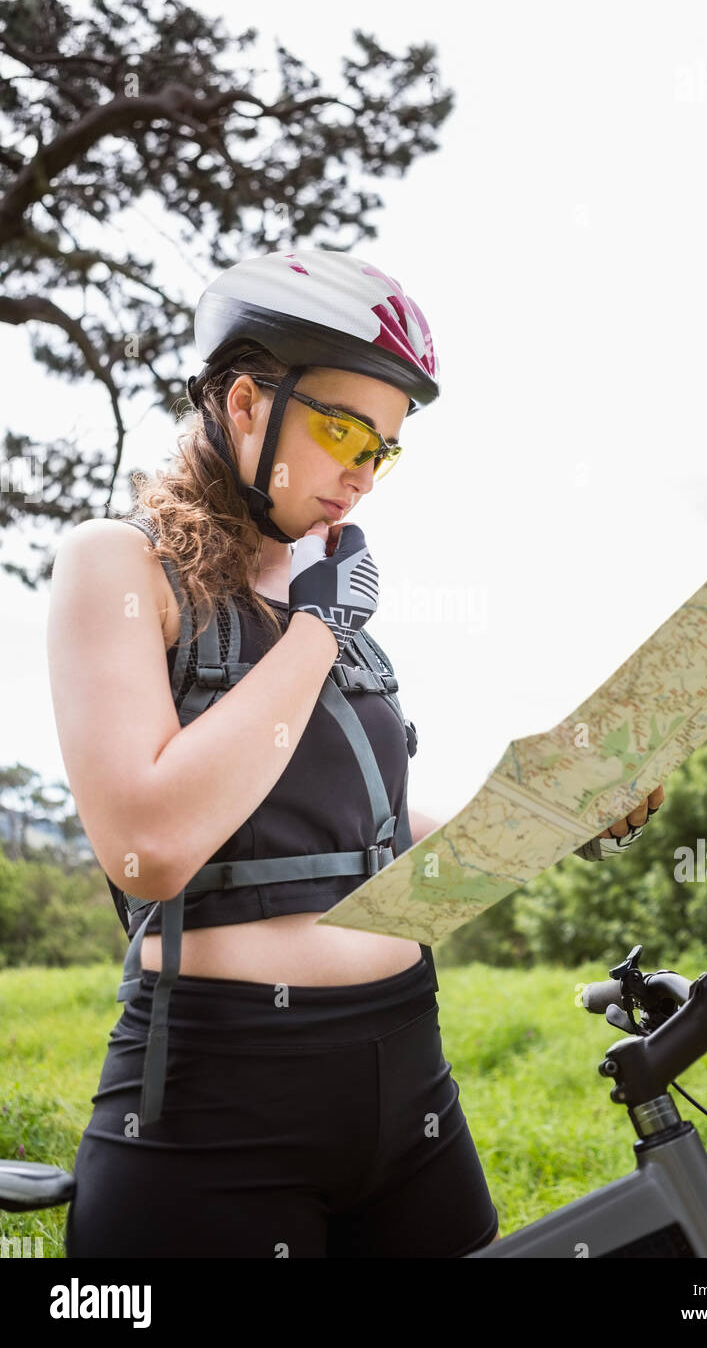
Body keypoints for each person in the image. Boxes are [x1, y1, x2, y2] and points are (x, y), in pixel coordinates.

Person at [47, 246, 663, 1259]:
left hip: (405, 1072)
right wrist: (316, 635)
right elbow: (146, 846)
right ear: (246, 401)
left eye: (385, 449)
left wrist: (554, 807)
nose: (363, 475)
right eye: (343, 430)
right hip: (217, 1099)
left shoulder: (328, 603)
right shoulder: (116, 566)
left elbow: (373, 839)